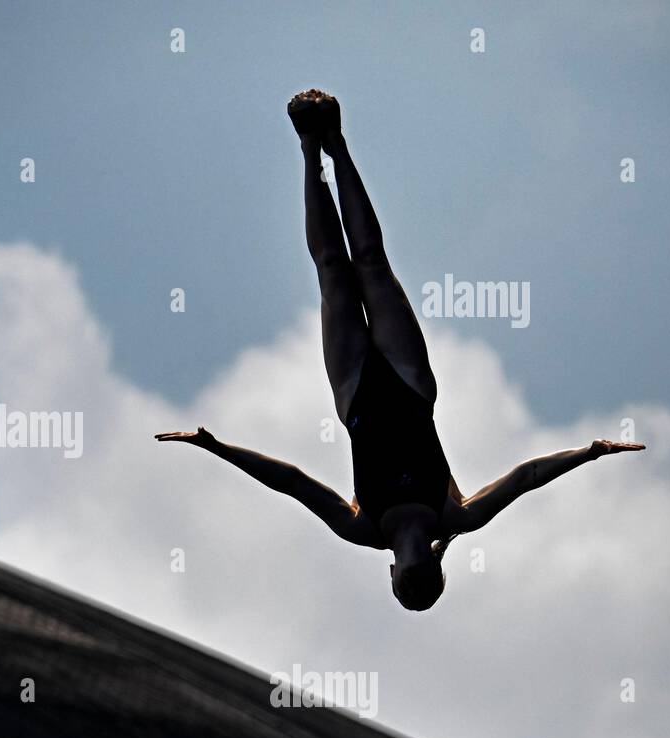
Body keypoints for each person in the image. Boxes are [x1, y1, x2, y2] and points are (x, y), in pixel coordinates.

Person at [155, 90, 644, 611]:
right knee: (362, 265)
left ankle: (312, 147)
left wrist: (220, 448)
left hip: (356, 391)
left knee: (338, 273)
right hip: (406, 383)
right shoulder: (453, 516)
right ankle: (329, 144)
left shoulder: (367, 526)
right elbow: (525, 478)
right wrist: (586, 454)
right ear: (406, 571)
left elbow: (294, 484)